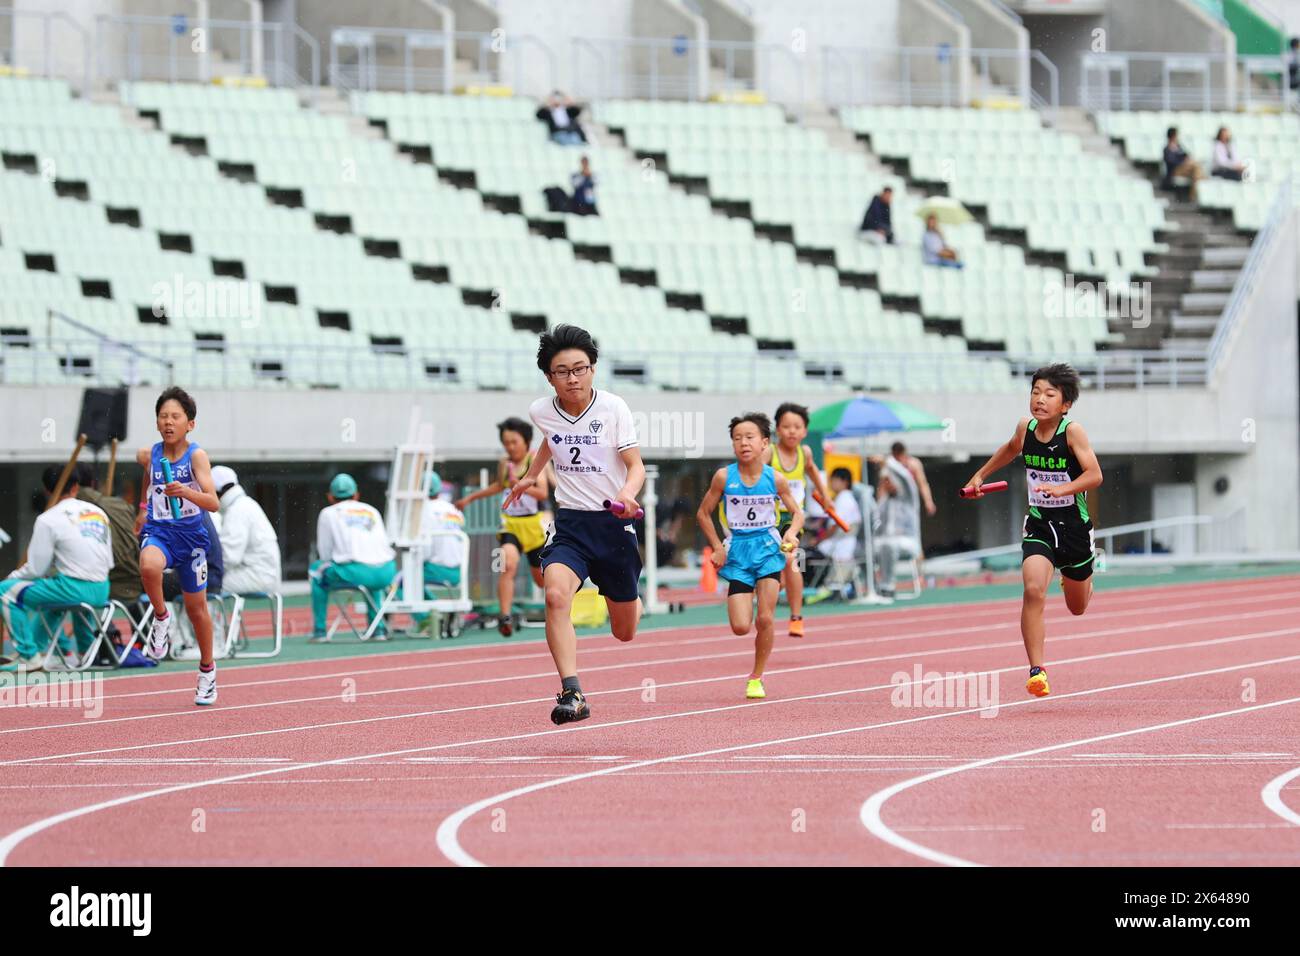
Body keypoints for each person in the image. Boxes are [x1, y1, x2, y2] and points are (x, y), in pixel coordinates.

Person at [502, 324, 645, 725]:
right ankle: (572, 691)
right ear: (549, 377)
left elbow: (635, 465)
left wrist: (628, 494)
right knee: (555, 596)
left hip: (614, 527)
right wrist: (533, 475)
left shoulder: (614, 408)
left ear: (593, 369)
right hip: (571, 526)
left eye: (580, 369)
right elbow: (552, 437)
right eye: (563, 371)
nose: (573, 378)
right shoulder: (540, 410)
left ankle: (633, 595)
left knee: (625, 632)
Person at [963, 363, 1103, 698]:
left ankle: (1080, 578)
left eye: (1049, 394)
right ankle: (1037, 670)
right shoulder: (1025, 428)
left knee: (1077, 607)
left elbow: (1094, 475)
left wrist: (1064, 490)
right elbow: (1010, 448)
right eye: (1035, 392)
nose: (1040, 399)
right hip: (1040, 521)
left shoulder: (1073, 433)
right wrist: (980, 475)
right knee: (1032, 590)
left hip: (1073, 528)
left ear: (1064, 404)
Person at [697, 413, 803, 700]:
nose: (743, 443)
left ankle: (756, 677)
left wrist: (791, 534)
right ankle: (747, 603)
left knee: (765, 619)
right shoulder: (724, 477)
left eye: (750, 437)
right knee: (741, 626)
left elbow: (797, 513)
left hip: (768, 549)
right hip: (738, 551)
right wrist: (717, 546)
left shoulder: (775, 478)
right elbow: (703, 513)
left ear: (764, 443)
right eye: (737, 438)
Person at [134, 386, 222, 704]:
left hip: (191, 538)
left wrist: (185, 492)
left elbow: (213, 502)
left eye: (175, 416)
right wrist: (144, 511)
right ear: (157, 422)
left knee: (197, 610)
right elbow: (147, 477)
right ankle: (161, 617)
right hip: (160, 531)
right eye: (163, 416)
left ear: (190, 424)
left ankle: (207, 672)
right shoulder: (151, 454)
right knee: (148, 565)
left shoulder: (196, 455)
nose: (168, 422)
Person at [0, 466, 113, 672]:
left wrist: (11, 577)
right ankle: (83, 651)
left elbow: (36, 569)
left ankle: (29, 655)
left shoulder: (48, 519)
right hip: (103, 588)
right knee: (59, 591)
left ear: (46, 490)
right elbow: (108, 561)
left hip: (73, 589)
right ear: (76, 486)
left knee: (5, 591)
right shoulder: (99, 513)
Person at [454, 417, 551, 636]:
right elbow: (499, 486)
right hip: (510, 525)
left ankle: (561, 602)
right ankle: (504, 616)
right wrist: (470, 499)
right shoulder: (504, 463)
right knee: (507, 564)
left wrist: (520, 484)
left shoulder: (535, 459)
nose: (510, 447)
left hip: (533, 525)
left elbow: (543, 492)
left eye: (514, 442)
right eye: (506, 442)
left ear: (526, 441)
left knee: (541, 580)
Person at [762, 402, 831, 638]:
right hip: (768, 519)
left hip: (793, 520)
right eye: (786, 426)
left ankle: (796, 617)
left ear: (804, 431)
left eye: (797, 427)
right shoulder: (770, 453)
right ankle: (767, 610)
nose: (792, 431)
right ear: (777, 430)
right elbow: (754, 475)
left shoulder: (805, 453)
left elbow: (812, 471)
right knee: (776, 567)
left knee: (792, 561)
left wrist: (825, 496)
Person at [309, 473, 397, 642]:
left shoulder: (328, 513)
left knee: (316, 570)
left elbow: (325, 553)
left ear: (330, 496)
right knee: (373, 571)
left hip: (358, 572)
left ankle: (319, 631)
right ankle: (377, 629)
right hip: (386, 571)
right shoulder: (372, 510)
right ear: (356, 495)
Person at [75, 462, 139, 609]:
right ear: (93, 482)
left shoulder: (72, 512)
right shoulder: (122, 505)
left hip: (99, 587)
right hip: (133, 584)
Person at [209, 465, 280, 596]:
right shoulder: (245, 504)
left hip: (256, 575)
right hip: (263, 573)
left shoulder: (237, 511)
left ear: (218, 492)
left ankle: (208, 617)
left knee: (202, 585)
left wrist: (205, 570)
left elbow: (229, 557)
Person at [412, 472, 467, 634]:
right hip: (458, 571)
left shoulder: (422, 511)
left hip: (437, 569)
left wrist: (415, 562)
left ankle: (429, 619)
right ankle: (436, 612)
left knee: (401, 580)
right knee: (410, 578)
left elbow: (425, 549)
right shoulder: (453, 510)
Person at [807, 468, 863, 602]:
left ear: (844, 481)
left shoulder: (843, 500)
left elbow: (834, 526)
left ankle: (809, 587)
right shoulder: (847, 498)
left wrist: (818, 540)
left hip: (838, 545)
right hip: (842, 543)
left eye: (833, 480)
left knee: (803, 555)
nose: (831, 484)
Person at [874, 469, 921, 599]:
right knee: (864, 548)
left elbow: (906, 479)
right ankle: (872, 586)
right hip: (885, 541)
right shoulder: (884, 502)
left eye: (891, 481)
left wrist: (886, 462)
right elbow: (876, 522)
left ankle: (888, 586)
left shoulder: (909, 499)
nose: (888, 484)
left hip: (907, 541)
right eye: (886, 482)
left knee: (889, 544)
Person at [1162, 126, 1206, 201]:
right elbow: (1171, 162)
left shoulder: (1178, 146)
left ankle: (1194, 192)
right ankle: (1200, 183)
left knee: (1195, 171)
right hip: (1175, 170)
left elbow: (1186, 155)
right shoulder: (1167, 149)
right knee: (1196, 167)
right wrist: (1183, 161)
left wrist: (1185, 159)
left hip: (1185, 169)